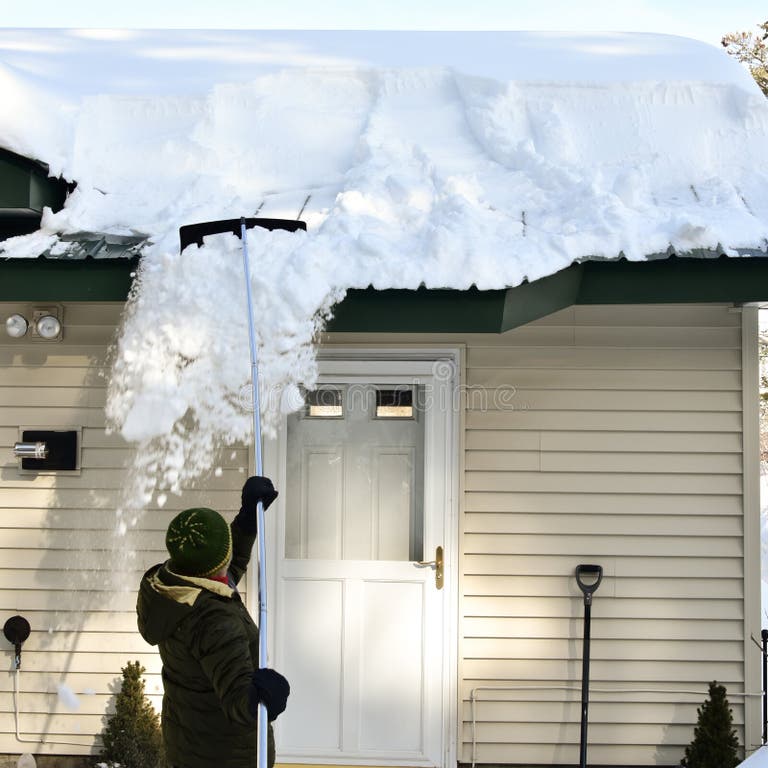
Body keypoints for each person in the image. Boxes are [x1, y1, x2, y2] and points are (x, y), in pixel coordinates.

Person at [137, 476, 289, 768]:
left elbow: (225, 569)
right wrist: (267, 696)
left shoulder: (171, 588)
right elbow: (240, 704)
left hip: (189, 740)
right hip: (225, 753)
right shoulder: (214, 621)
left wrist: (247, 520)